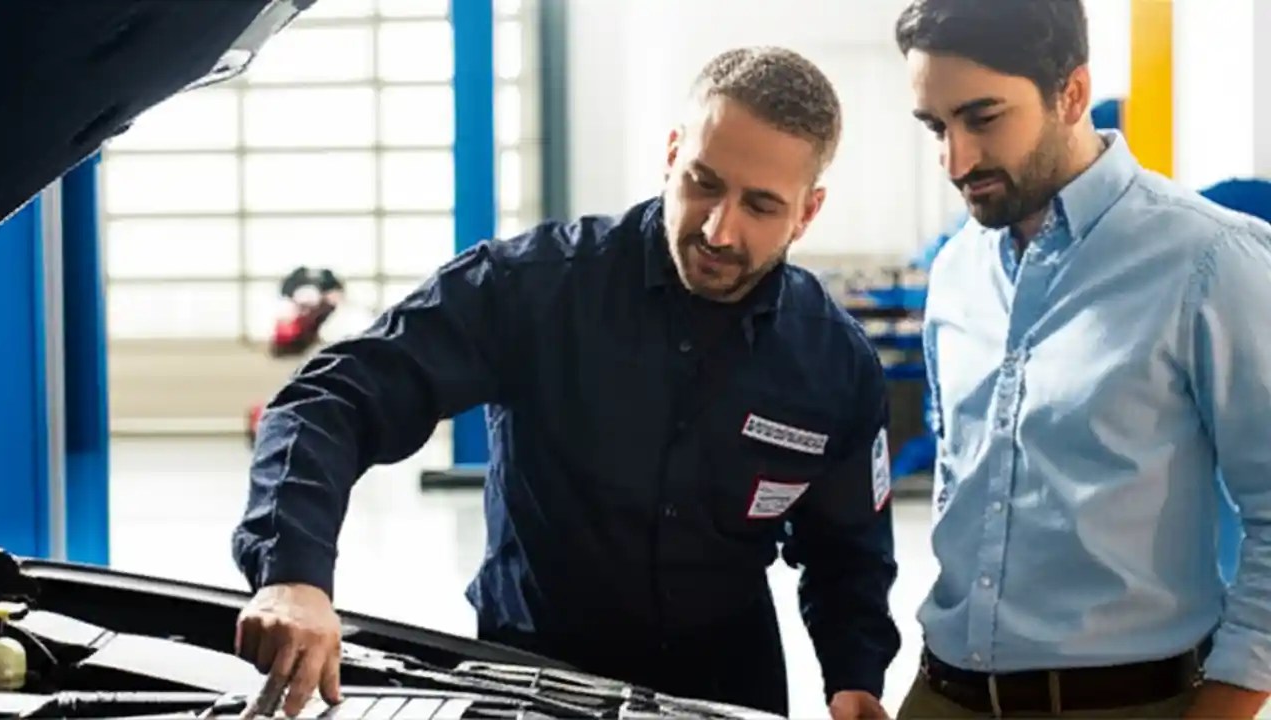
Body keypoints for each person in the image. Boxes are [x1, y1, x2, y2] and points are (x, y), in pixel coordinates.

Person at [229, 46, 901, 719]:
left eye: (760, 205)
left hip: (724, 693)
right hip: (533, 683)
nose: (719, 230)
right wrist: (292, 575)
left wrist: (854, 678)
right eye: (703, 183)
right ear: (672, 155)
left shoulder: (833, 363)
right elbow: (332, 401)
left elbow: (849, 551)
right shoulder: (535, 289)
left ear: (807, 212)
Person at [890, 0, 1271, 717]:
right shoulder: (956, 270)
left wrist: (1226, 702)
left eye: (982, 118)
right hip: (942, 692)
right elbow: (960, 480)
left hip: (1123, 702)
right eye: (936, 127)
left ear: (1071, 93)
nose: (956, 161)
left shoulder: (1210, 260)